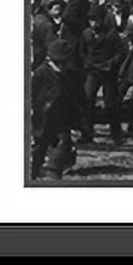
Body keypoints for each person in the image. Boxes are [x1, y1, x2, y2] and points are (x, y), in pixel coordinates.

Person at [31, 39, 83, 180]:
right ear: (49, 59)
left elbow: (78, 103)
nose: (61, 66)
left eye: (65, 62)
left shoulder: (73, 75)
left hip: (62, 122)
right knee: (37, 155)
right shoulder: (40, 74)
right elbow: (31, 97)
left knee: (59, 155)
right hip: (42, 121)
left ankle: (54, 176)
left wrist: (78, 126)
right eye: (57, 62)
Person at [78, 5, 127, 145]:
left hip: (108, 72)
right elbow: (81, 51)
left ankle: (116, 134)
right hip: (93, 70)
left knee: (111, 102)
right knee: (87, 98)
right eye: (91, 20)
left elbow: (121, 53)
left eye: (96, 20)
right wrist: (86, 62)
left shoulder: (111, 34)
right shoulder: (86, 33)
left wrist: (112, 64)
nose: (94, 23)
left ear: (102, 20)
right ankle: (87, 133)